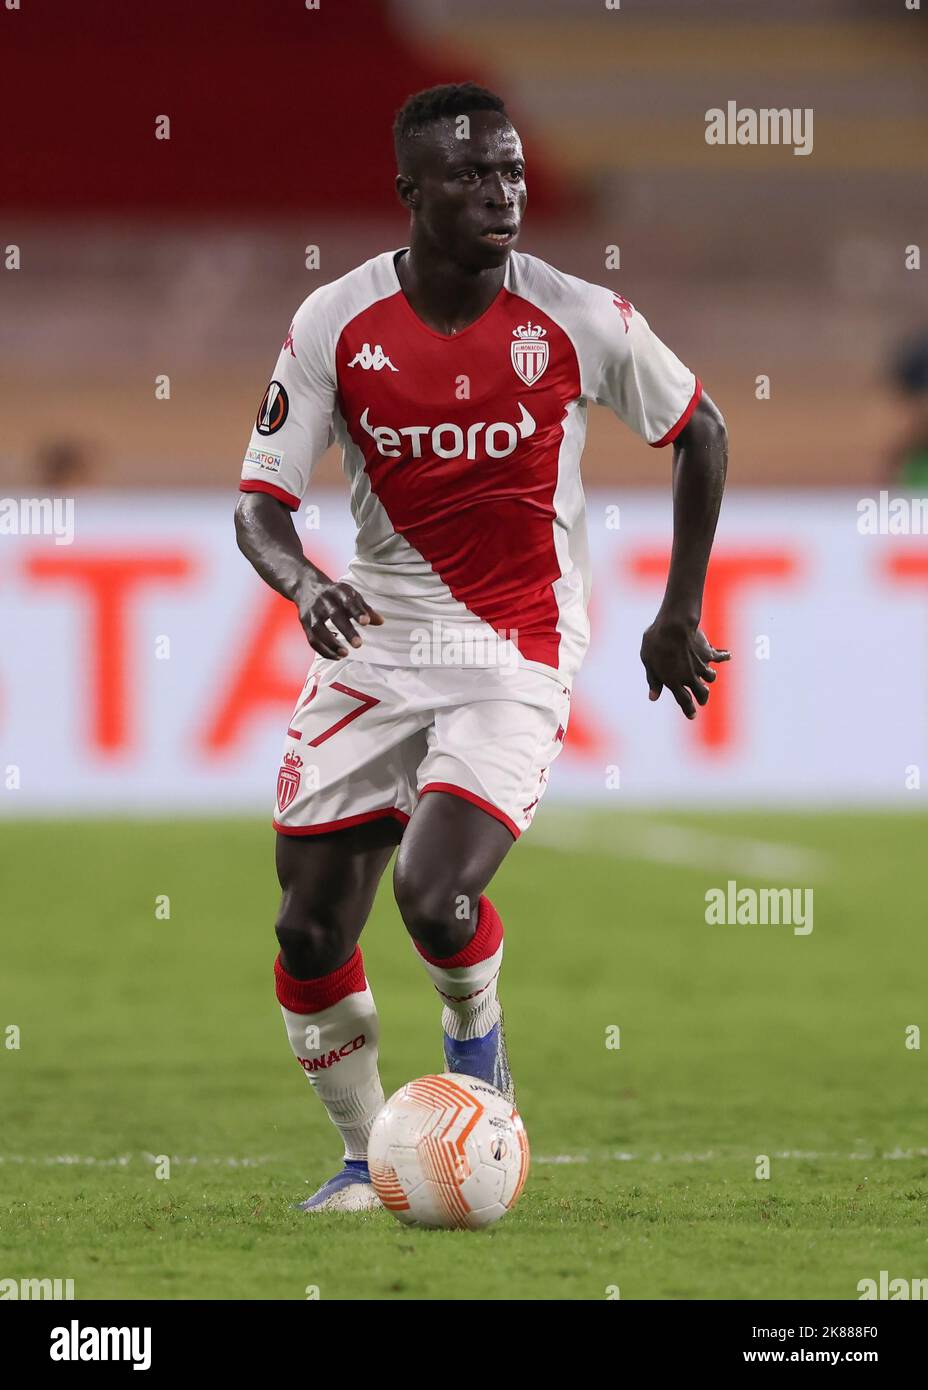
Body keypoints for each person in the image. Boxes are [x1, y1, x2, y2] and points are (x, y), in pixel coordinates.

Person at [234, 82, 729, 1212]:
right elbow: (258, 505)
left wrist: (677, 610)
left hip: (517, 645)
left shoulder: (577, 317)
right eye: (468, 174)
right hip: (373, 643)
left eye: (508, 170)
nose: (500, 192)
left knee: (432, 895)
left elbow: (700, 429)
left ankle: (476, 1045)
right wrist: (305, 584)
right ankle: (366, 1162)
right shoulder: (333, 324)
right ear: (410, 192)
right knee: (306, 925)